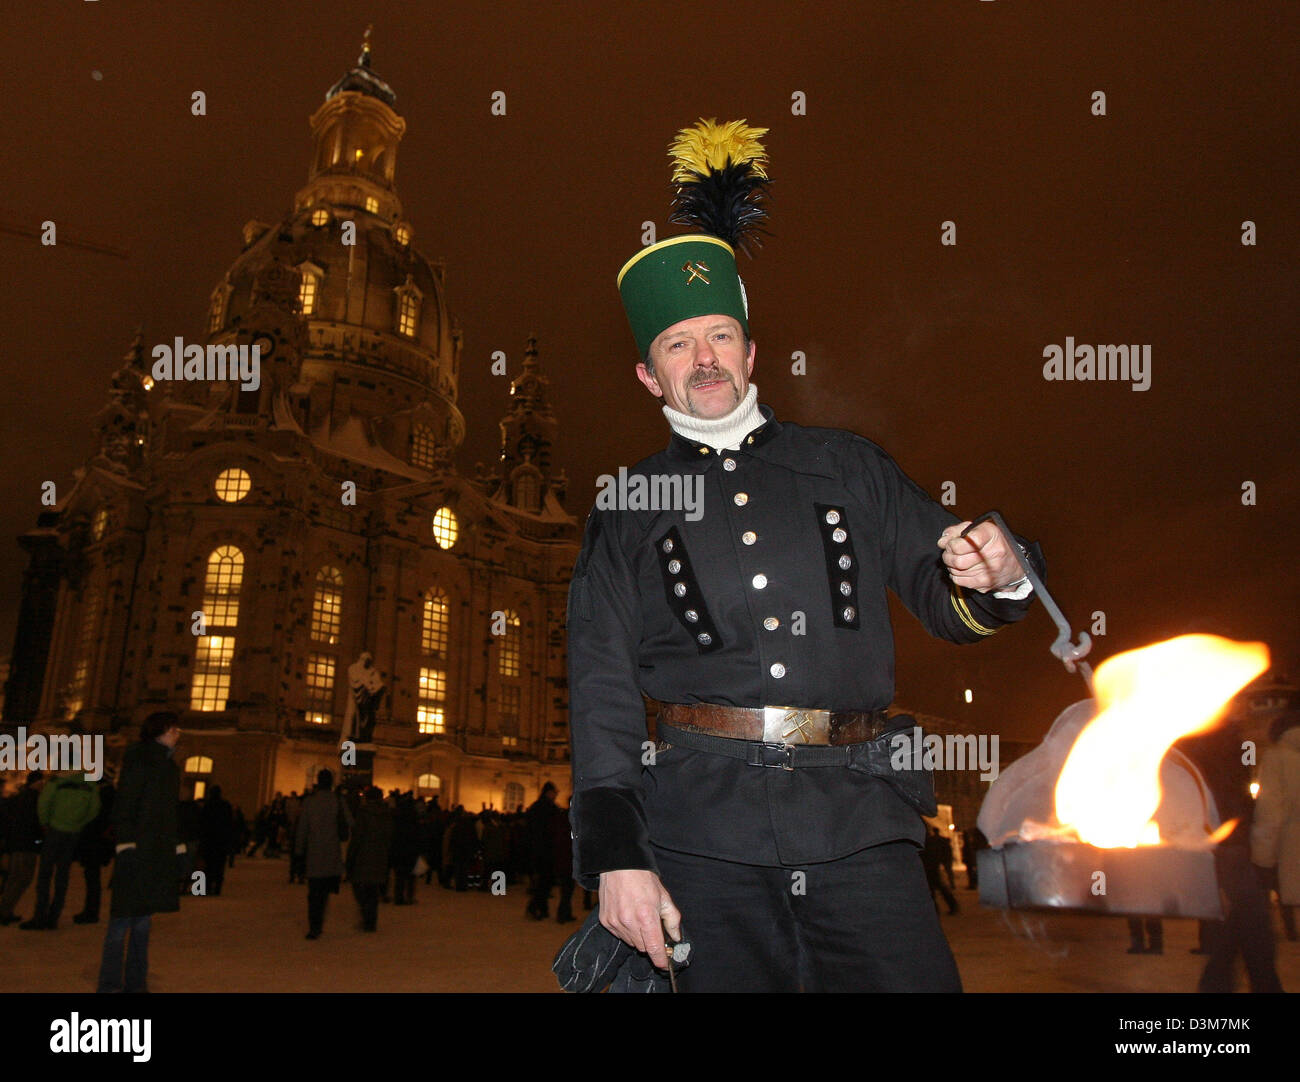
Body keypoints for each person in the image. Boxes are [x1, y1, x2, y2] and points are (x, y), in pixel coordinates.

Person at [566, 119, 1042, 992]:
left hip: (861, 828)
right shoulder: (625, 504)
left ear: (750, 352)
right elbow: (599, 688)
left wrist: (999, 569)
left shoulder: (847, 466)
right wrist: (615, 858)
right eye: (677, 344)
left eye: (718, 336)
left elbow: (949, 593)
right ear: (649, 375)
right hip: (701, 843)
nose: (703, 358)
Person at [97, 712, 184, 993]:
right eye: (174, 728)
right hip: (136, 848)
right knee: (121, 920)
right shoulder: (142, 759)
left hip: (155, 850)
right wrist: (126, 842)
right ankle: (110, 984)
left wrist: (176, 844)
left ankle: (136, 982)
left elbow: (168, 812)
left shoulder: (169, 766)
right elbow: (126, 803)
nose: (178, 733)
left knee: (144, 920)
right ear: (160, 731)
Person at [23, 769, 101, 930]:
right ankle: (54, 916)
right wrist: (79, 823)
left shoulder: (56, 780)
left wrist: (45, 822)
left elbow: (44, 803)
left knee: (45, 874)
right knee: (62, 875)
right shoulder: (89, 780)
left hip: (54, 830)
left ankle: (40, 915)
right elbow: (95, 807)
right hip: (73, 831)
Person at [1252, 710, 1300, 943]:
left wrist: (1262, 855)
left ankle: (1290, 930)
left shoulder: (1271, 755)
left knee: (1284, 884)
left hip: (1288, 840)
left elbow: (1271, 811)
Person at [294, 769, 352, 939]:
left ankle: (314, 925)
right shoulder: (338, 801)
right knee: (324, 892)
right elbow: (349, 822)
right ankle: (319, 922)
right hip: (332, 852)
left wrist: (299, 851)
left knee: (314, 892)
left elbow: (302, 829)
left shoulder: (310, 802)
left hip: (314, 852)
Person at [347, 786, 394, 931]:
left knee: (361, 888)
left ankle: (367, 918)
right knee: (373, 891)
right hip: (380, 856)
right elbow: (390, 836)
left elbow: (357, 837)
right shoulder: (387, 814)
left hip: (363, 856)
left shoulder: (364, 813)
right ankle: (370, 921)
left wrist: (351, 856)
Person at [0, 771, 44, 926]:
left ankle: (6, 910)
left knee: (15, 879)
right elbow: (34, 824)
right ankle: (4, 911)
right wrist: (39, 841)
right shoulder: (33, 799)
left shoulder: (21, 798)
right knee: (21, 879)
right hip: (26, 845)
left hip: (18, 844)